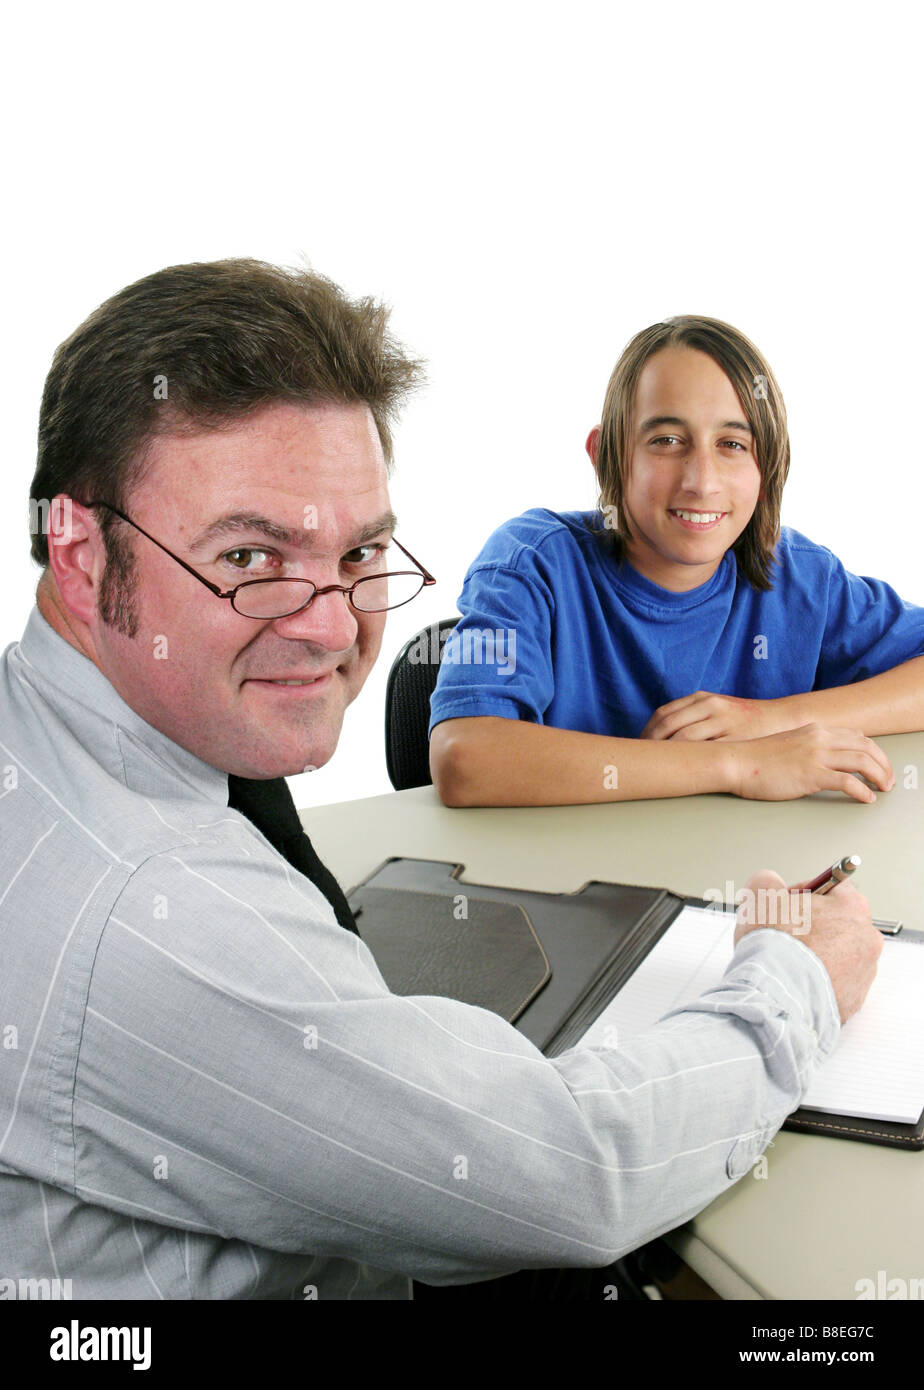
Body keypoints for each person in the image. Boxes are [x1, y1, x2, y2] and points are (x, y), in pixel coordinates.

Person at [0, 264, 881, 1300]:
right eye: (248, 555)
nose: (331, 627)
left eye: (362, 549)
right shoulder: (157, 910)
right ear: (73, 549)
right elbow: (575, 1178)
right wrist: (796, 981)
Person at [428, 316, 924, 808]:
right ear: (606, 457)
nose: (701, 481)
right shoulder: (531, 564)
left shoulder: (799, 576)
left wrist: (767, 720)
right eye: (666, 441)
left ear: (768, 466)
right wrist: (740, 763)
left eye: (732, 444)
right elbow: (464, 759)